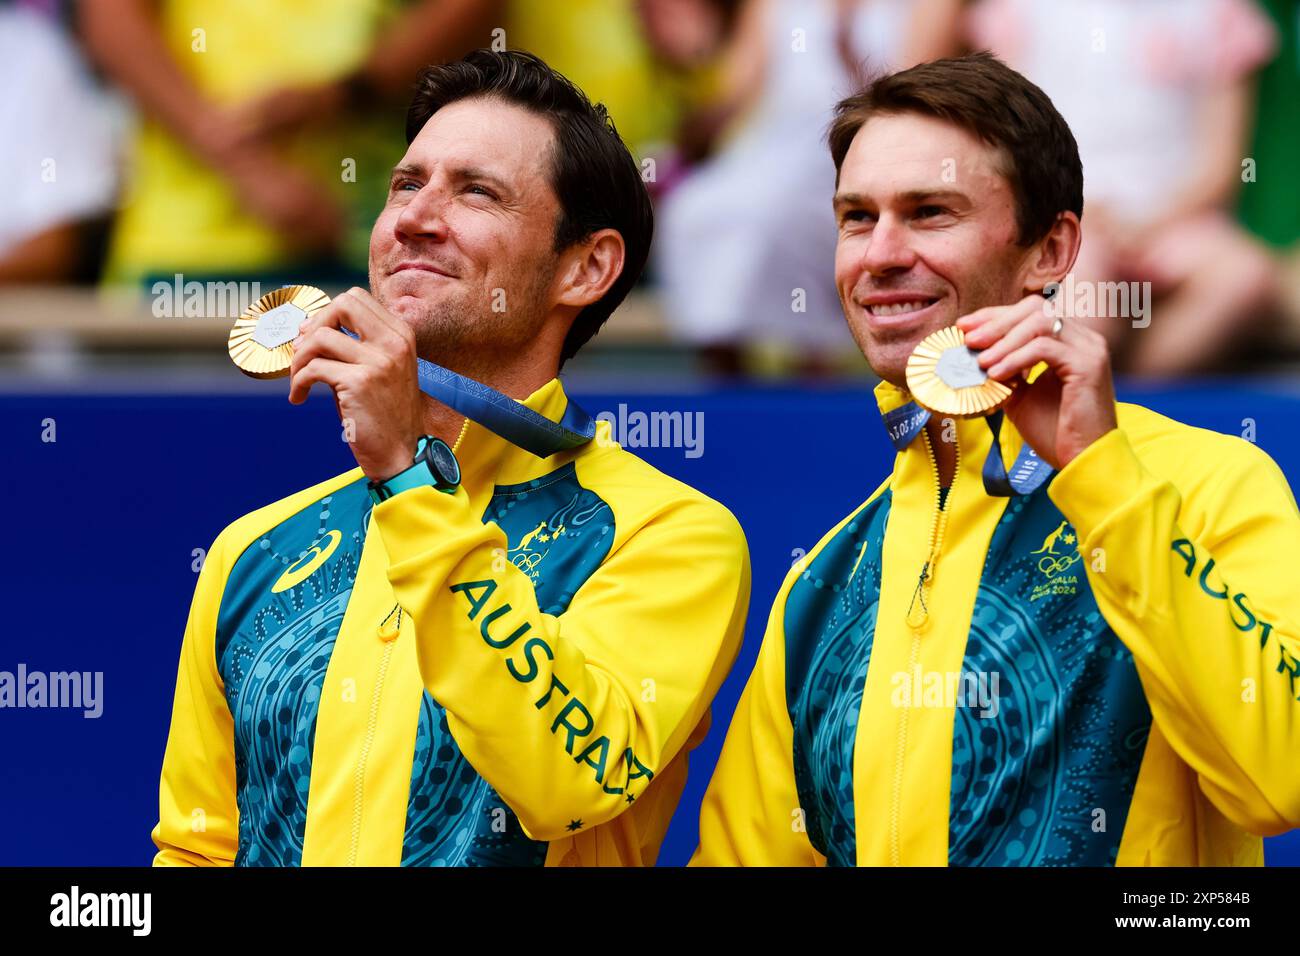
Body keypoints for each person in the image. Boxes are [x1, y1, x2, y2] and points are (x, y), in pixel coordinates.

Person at [693, 53, 1300, 866]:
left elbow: (1281, 779)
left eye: (930, 212)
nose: (880, 253)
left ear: (1052, 250)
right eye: (856, 217)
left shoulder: (1207, 482)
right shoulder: (819, 586)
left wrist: (1100, 479)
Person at [152, 50, 750, 867]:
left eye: (476, 191)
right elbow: (196, 850)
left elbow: (568, 782)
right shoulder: (251, 550)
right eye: (405, 184)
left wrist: (406, 476)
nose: (414, 218)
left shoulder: (671, 536)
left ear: (587, 267)